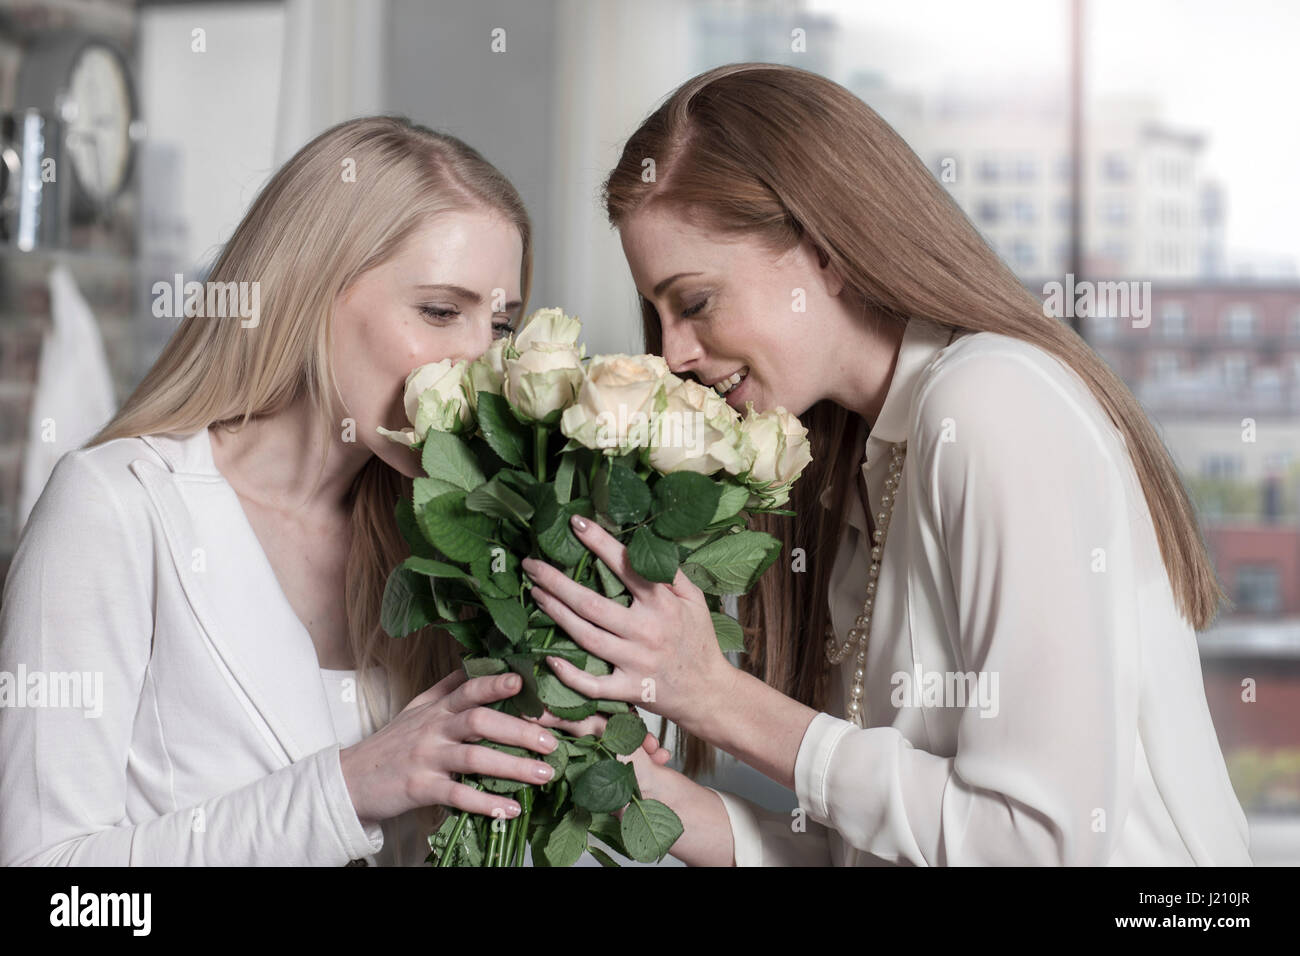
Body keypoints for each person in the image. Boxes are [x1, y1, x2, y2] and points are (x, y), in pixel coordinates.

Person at [522, 63, 1254, 866]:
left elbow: (1034, 848)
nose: (672, 356)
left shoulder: (991, 402)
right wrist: (656, 800)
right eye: (657, 316)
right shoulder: (861, 464)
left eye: (693, 303)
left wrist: (716, 697)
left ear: (827, 252)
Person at [0, 115, 661, 866]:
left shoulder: (459, 544)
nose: (481, 363)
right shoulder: (116, 507)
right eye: (441, 311)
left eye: (502, 325)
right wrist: (345, 790)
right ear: (309, 294)